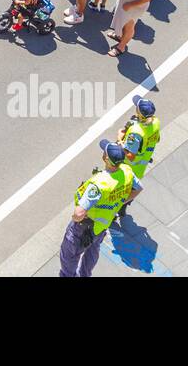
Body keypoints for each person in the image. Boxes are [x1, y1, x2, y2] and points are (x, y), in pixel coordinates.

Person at [60, 140, 139, 277]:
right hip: (102, 226)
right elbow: (138, 188)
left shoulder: (100, 183)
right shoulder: (127, 171)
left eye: (104, 151)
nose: (103, 152)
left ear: (107, 158)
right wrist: (119, 201)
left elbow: (79, 213)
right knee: (92, 252)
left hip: (83, 227)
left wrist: (75, 219)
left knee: (69, 257)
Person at [117, 95, 160, 216]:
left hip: (128, 168)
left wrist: (120, 141)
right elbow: (157, 140)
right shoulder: (156, 122)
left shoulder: (136, 132)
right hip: (142, 167)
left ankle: (118, 210)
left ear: (140, 113)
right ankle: (123, 209)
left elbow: (131, 155)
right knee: (130, 190)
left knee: (122, 191)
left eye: (137, 107)